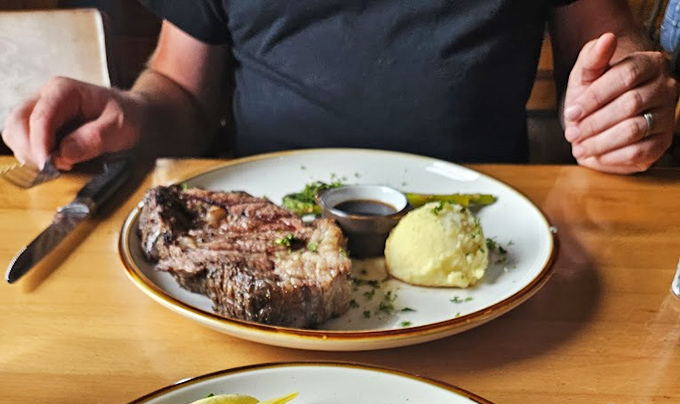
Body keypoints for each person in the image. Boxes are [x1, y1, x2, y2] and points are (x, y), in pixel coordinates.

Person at [2, 0, 678, 175]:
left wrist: (627, 102)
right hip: (260, 241)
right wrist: (125, 115)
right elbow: (182, 93)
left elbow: (615, 48)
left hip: (494, 248)